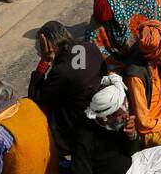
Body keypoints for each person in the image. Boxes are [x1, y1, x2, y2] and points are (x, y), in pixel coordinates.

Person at [28, 21, 106, 157]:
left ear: (49, 46)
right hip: (98, 107)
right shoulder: (89, 46)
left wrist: (44, 62)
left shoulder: (61, 71)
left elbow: (35, 98)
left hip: (79, 122)